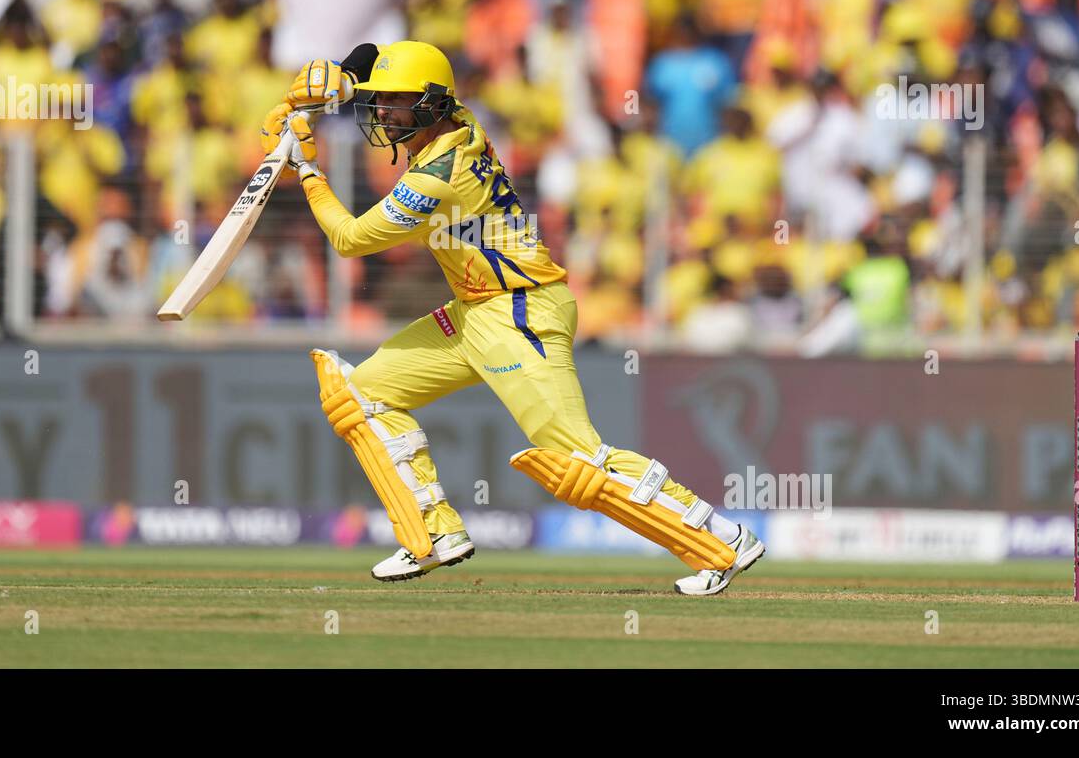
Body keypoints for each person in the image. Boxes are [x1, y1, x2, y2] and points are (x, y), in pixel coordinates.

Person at [257, 40, 764, 596]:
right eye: (379, 103)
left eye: (393, 105)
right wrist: (340, 87)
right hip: (474, 310)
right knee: (359, 394)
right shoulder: (456, 119)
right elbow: (398, 80)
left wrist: (306, 167)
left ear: (428, 106)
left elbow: (350, 240)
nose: (383, 117)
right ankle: (432, 533)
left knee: (576, 460)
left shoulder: (439, 176)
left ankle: (721, 540)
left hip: (518, 310)